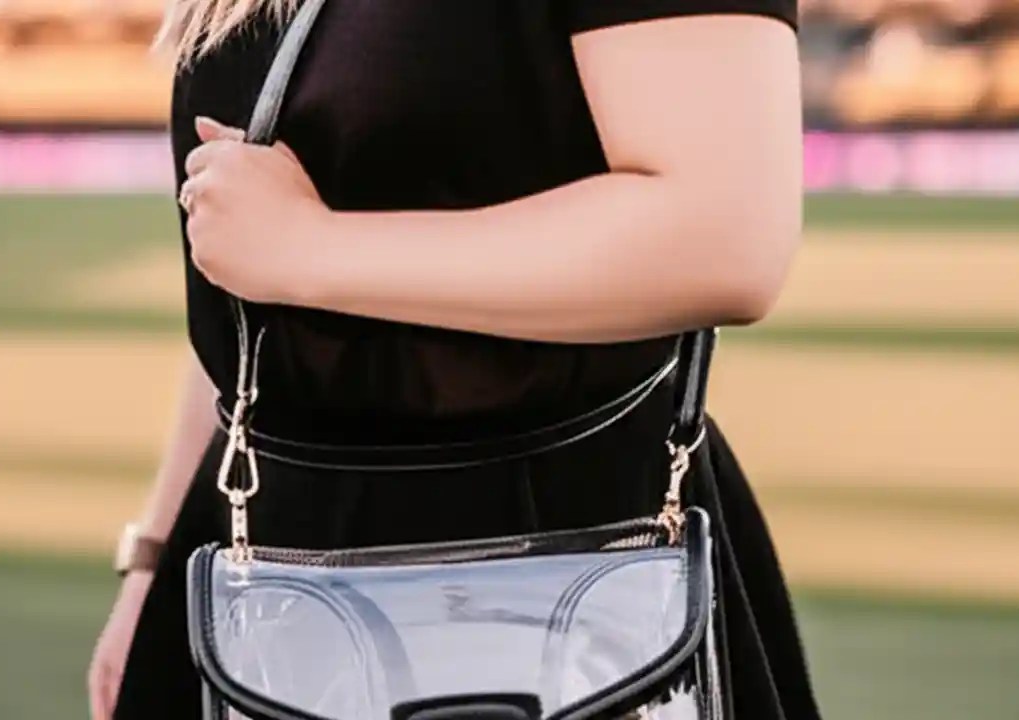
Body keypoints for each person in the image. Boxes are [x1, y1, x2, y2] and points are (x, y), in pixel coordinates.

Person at [88, 1, 818, 719]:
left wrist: (314, 249)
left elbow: (722, 238)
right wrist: (156, 559)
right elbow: (249, 281)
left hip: (550, 558)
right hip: (262, 548)